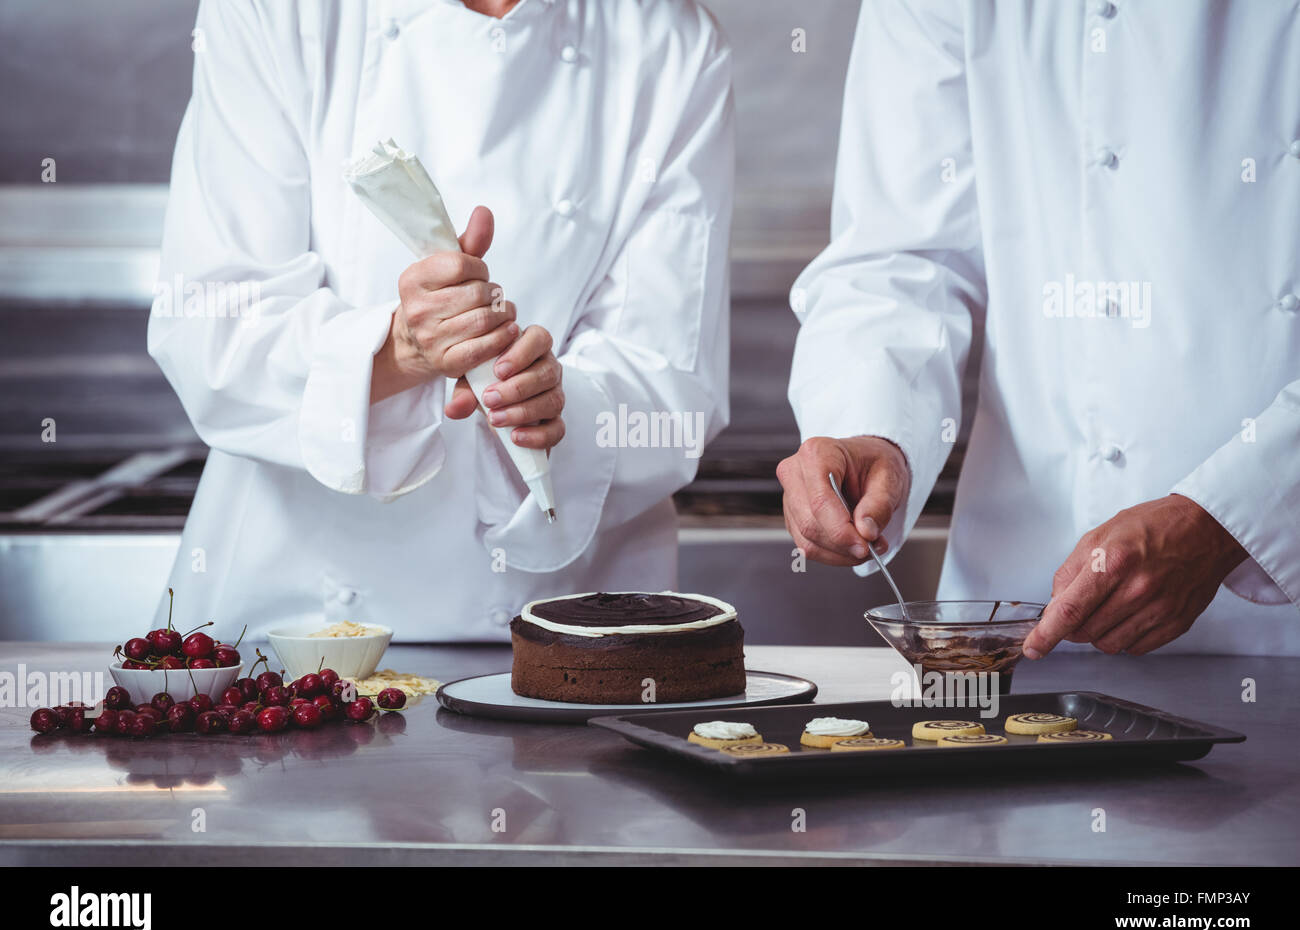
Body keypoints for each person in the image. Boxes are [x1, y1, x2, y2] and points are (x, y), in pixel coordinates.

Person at [149, 0, 732, 640]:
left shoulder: (669, 39)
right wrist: (398, 351)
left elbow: (671, 386)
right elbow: (213, 326)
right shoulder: (276, 11)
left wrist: (559, 406)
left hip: (571, 635)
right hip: (291, 634)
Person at [778, 0, 1299, 657]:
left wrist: (1233, 516)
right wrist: (870, 428)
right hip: (1017, 615)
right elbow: (905, 255)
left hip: (1281, 617)